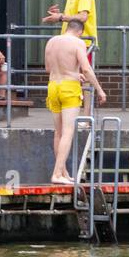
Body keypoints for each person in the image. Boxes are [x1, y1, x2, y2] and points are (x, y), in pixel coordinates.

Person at [44, 19, 106, 185]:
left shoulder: (51, 42)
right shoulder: (78, 43)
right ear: (80, 31)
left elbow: (48, 68)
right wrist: (99, 88)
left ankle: (63, 171)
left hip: (53, 86)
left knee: (58, 132)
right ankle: (57, 173)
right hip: (69, 89)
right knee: (68, 132)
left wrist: (71, 72)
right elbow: (86, 69)